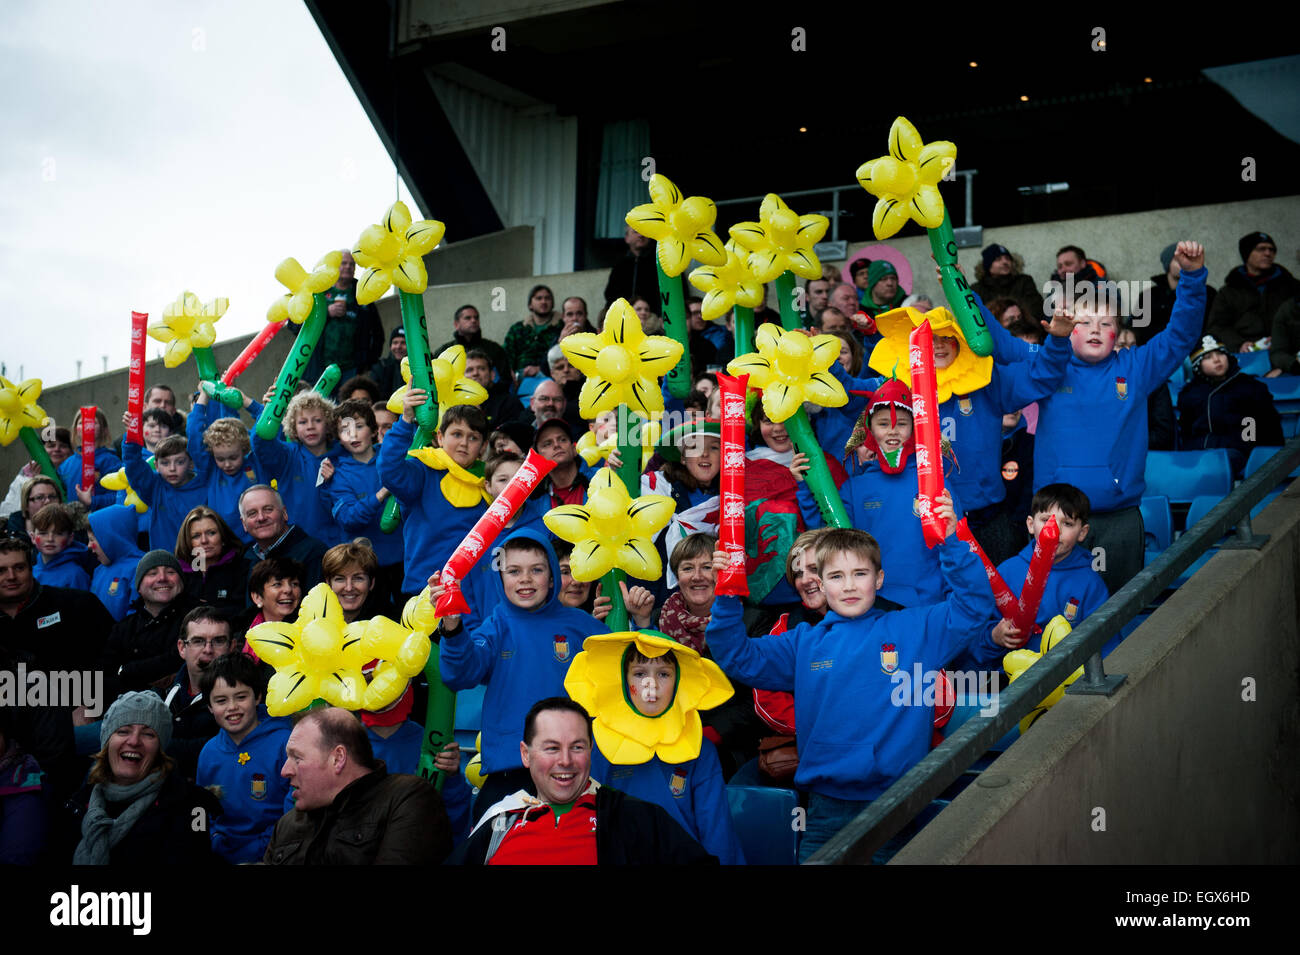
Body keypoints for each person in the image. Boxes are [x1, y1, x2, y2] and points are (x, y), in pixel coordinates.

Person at [705, 509, 999, 862]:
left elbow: (973, 606)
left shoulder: (914, 629)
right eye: (836, 576)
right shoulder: (803, 643)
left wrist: (950, 540)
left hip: (900, 804)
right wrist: (726, 591)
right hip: (826, 811)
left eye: (859, 574)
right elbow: (736, 656)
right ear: (821, 583)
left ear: (878, 579)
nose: (847, 585)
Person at [1033, 241, 1207, 593]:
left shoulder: (1136, 367)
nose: (1096, 329)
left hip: (1119, 518)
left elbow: (1181, 336)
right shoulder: (1046, 368)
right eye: (1085, 322)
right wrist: (951, 272)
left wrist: (1191, 277)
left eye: (1106, 322)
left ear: (1118, 332)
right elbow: (995, 349)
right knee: (1054, 618)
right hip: (1056, 519)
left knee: (1121, 615)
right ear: (1068, 328)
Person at [432, 528, 610, 818]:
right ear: (500, 578)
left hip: (571, 769)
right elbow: (460, 674)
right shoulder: (496, 625)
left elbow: (616, 678)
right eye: (514, 571)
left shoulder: (581, 625)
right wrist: (452, 628)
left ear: (552, 576)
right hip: (510, 769)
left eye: (536, 570)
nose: (525, 579)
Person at [449, 698, 717, 865]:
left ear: (591, 750)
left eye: (577, 747)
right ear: (525, 755)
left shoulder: (633, 816)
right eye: (551, 748)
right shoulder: (499, 821)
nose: (565, 760)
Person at [574, 633, 745, 864]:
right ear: (624, 680)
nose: (650, 685)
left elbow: (717, 831)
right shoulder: (597, 745)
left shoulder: (701, 750)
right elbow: (584, 826)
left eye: (663, 674)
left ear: (679, 681)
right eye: (639, 674)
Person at [795, 378, 961, 608]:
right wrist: (805, 485)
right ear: (870, 430)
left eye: (901, 423)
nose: (893, 431)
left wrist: (951, 598)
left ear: (914, 428)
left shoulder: (935, 481)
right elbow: (828, 536)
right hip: (872, 607)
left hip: (929, 606)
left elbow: (956, 541)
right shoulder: (855, 487)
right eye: (883, 424)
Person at [263, 706, 451, 864]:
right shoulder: (286, 825)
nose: (285, 771)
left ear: (338, 758)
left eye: (297, 757)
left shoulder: (406, 799)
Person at [66, 691, 221, 865]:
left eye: (148, 734)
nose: (134, 741)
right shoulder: (79, 801)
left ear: (161, 749)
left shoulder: (189, 805)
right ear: (107, 743)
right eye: (123, 731)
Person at [378, 396, 490, 604]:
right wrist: (405, 421)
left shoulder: (490, 481)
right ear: (439, 437)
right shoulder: (423, 471)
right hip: (425, 589)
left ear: (483, 447)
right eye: (457, 434)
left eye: (473, 438)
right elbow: (390, 471)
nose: (464, 443)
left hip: (476, 591)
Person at [983, 484, 1112, 660]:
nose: (1054, 530)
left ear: (1082, 533)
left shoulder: (1091, 583)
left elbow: (1104, 643)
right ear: (1030, 524)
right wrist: (995, 636)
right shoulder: (1007, 572)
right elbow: (981, 629)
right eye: (1045, 520)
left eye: (1067, 523)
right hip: (1013, 676)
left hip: (1070, 677)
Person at [196, 652, 294, 864]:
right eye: (221, 700)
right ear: (210, 707)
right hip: (219, 854)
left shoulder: (285, 743)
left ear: (258, 696)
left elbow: (294, 811)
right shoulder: (208, 752)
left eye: (241, 697)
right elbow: (200, 810)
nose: (232, 707)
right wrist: (210, 839)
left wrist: (263, 848)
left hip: (274, 854)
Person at [318, 399, 401, 595]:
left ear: (374, 431)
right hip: (363, 569)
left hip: (403, 560)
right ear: (339, 438)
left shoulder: (393, 458)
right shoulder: (337, 474)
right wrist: (382, 493)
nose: (352, 434)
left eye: (360, 426)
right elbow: (348, 519)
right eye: (344, 429)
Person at [1176, 336, 1283, 476]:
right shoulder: (1189, 394)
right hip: (1199, 453)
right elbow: (1187, 433)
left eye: (1220, 353)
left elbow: (1261, 430)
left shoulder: (1250, 387)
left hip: (1236, 452)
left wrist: (1244, 447)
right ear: (1198, 365)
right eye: (1208, 357)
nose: (1216, 360)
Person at [253, 390, 342, 546]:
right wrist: (268, 412)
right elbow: (261, 444)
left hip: (333, 545)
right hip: (294, 545)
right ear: (292, 427)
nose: (310, 427)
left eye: (317, 420)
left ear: (328, 424)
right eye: (302, 422)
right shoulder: (287, 455)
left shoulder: (341, 456)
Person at [160, 606, 228, 779]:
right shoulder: (162, 691)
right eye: (198, 641)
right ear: (182, 648)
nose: (208, 649)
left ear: (232, 646)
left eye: (218, 641)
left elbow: (220, 747)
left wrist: (156, 746)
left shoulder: (240, 696)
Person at [1206, 232, 1298, 354]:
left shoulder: (1292, 286)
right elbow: (1217, 326)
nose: (1267, 253)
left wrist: (1285, 338)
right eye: (1261, 249)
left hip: (1288, 352)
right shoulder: (1228, 292)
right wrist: (1240, 344)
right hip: (1248, 355)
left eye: (1271, 250)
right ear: (1247, 253)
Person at [308, 248, 385, 383]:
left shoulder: (363, 291)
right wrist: (326, 313)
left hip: (352, 369)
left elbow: (378, 333)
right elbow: (297, 325)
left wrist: (367, 363)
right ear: (336, 266)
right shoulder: (319, 290)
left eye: (352, 264)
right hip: (320, 368)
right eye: (344, 263)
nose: (348, 267)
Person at [124, 432, 209, 552]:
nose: (172, 468)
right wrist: (132, 432)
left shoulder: (204, 488)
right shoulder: (155, 487)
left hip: (199, 561)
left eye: (179, 462)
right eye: (165, 463)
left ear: (191, 463)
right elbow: (133, 466)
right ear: (156, 466)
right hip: (166, 565)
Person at [189, 402, 258, 544]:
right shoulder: (211, 470)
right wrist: (202, 398)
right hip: (223, 545)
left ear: (244, 449)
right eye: (220, 458)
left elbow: (265, 432)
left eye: (233, 458)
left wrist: (248, 402)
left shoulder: (256, 463)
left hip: (257, 542)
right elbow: (194, 436)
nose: (227, 464)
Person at [239, 485, 328, 594]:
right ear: (244, 523)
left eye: (268, 509)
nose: (261, 518)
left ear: (284, 513)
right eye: (252, 513)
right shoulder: (247, 559)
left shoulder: (314, 553)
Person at [1136, 243, 1217, 346]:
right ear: (1168, 265)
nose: (1184, 263)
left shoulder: (1207, 293)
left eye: (1188, 259)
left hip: (1199, 351)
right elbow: (1138, 330)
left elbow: (1215, 326)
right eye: (1177, 260)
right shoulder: (1149, 296)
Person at [176, 506, 246, 619]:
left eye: (211, 533)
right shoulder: (177, 575)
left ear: (222, 537)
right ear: (188, 542)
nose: (204, 541)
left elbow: (242, 614)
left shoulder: (242, 568)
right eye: (196, 536)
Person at [87, 504, 145, 622]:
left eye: (92, 540)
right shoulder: (99, 570)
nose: (88, 546)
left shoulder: (140, 568)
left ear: (111, 538)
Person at [433, 303, 513, 388]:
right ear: (456, 324)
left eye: (476, 317)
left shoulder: (494, 348)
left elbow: (505, 379)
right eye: (468, 318)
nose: (473, 320)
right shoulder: (444, 351)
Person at [504, 284, 563, 395]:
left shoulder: (561, 326)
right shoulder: (518, 328)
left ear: (552, 303)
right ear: (530, 304)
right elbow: (506, 356)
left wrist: (540, 369)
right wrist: (511, 373)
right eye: (539, 298)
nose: (543, 302)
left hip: (550, 375)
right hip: (519, 378)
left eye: (547, 298)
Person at [60, 408, 121, 512]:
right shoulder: (66, 464)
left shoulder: (111, 461)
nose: (87, 425)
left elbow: (120, 496)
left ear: (104, 430)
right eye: (81, 423)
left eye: (93, 422)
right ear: (75, 430)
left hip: (98, 522)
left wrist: (93, 501)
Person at [324, 539, 393, 623]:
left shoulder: (390, 622)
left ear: (371, 583)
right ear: (328, 583)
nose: (349, 588)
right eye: (340, 579)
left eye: (358, 578)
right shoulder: (315, 619)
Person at [972, 243, 1045, 321]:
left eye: (1007, 258)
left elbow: (1035, 309)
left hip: (1022, 329)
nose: (1005, 262)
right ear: (988, 266)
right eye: (998, 259)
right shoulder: (977, 289)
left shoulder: (1024, 281)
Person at [29, 503, 91, 591]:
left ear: (70, 538)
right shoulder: (30, 572)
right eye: (43, 533)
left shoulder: (76, 575)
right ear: (33, 537)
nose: (50, 539)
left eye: (58, 533)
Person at [603, 225, 659, 312]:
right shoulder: (620, 266)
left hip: (652, 318)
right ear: (627, 238)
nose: (641, 235)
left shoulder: (659, 262)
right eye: (636, 231)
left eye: (644, 231)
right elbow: (610, 296)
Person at [535, 417, 588, 508]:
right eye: (548, 443)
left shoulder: (601, 477)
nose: (556, 445)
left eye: (562, 439)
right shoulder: (533, 500)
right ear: (538, 457)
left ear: (574, 449)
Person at [465, 347, 524, 429]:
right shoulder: (453, 405)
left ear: (492, 375)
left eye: (481, 368)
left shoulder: (509, 403)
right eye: (469, 370)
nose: (475, 373)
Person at [4, 476, 62, 546]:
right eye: (39, 497)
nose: (48, 501)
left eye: (52, 496)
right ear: (26, 505)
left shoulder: (71, 532)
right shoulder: (7, 537)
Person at [368, 325, 408, 397]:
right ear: (390, 346)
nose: (398, 347)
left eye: (403, 343)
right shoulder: (380, 367)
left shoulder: (416, 368)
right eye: (395, 343)